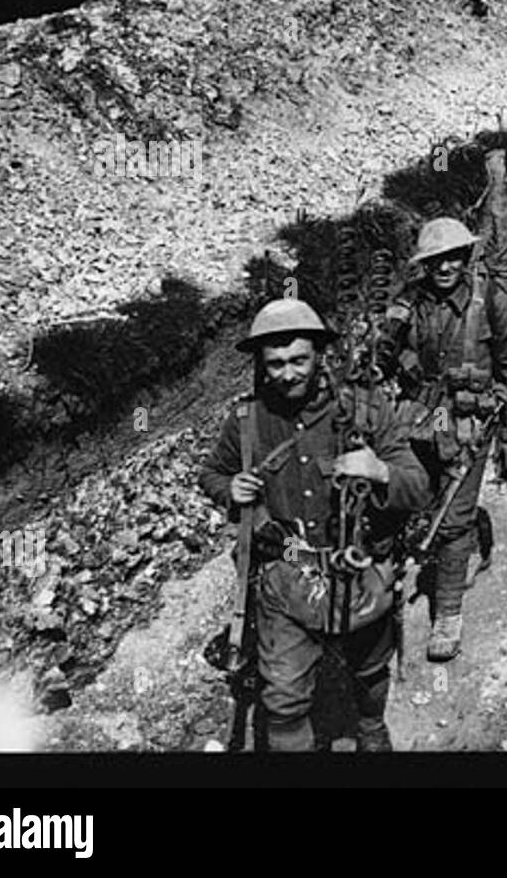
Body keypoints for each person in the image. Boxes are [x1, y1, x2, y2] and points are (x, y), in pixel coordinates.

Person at [198, 298, 433, 751]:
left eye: (299, 360)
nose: (288, 374)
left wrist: (380, 472)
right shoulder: (246, 420)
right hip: (286, 575)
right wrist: (231, 489)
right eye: (276, 363)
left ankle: (370, 730)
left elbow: (418, 487)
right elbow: (211, 473)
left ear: (320, 355)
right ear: (262, 365)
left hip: (360, 570)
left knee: (369, 671)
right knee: (282, 700)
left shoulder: (365, 410)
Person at [374, 217, 507, 662]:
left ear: (466, 258)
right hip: (419, 418)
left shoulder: (491, 301)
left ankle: (448, 612)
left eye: (453, 257)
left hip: (470, 421)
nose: (444, 267)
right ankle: (383, 596)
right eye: (435, 260)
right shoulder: (410, 302)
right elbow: (383, 355)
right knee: (401, 501)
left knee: (453, 518)